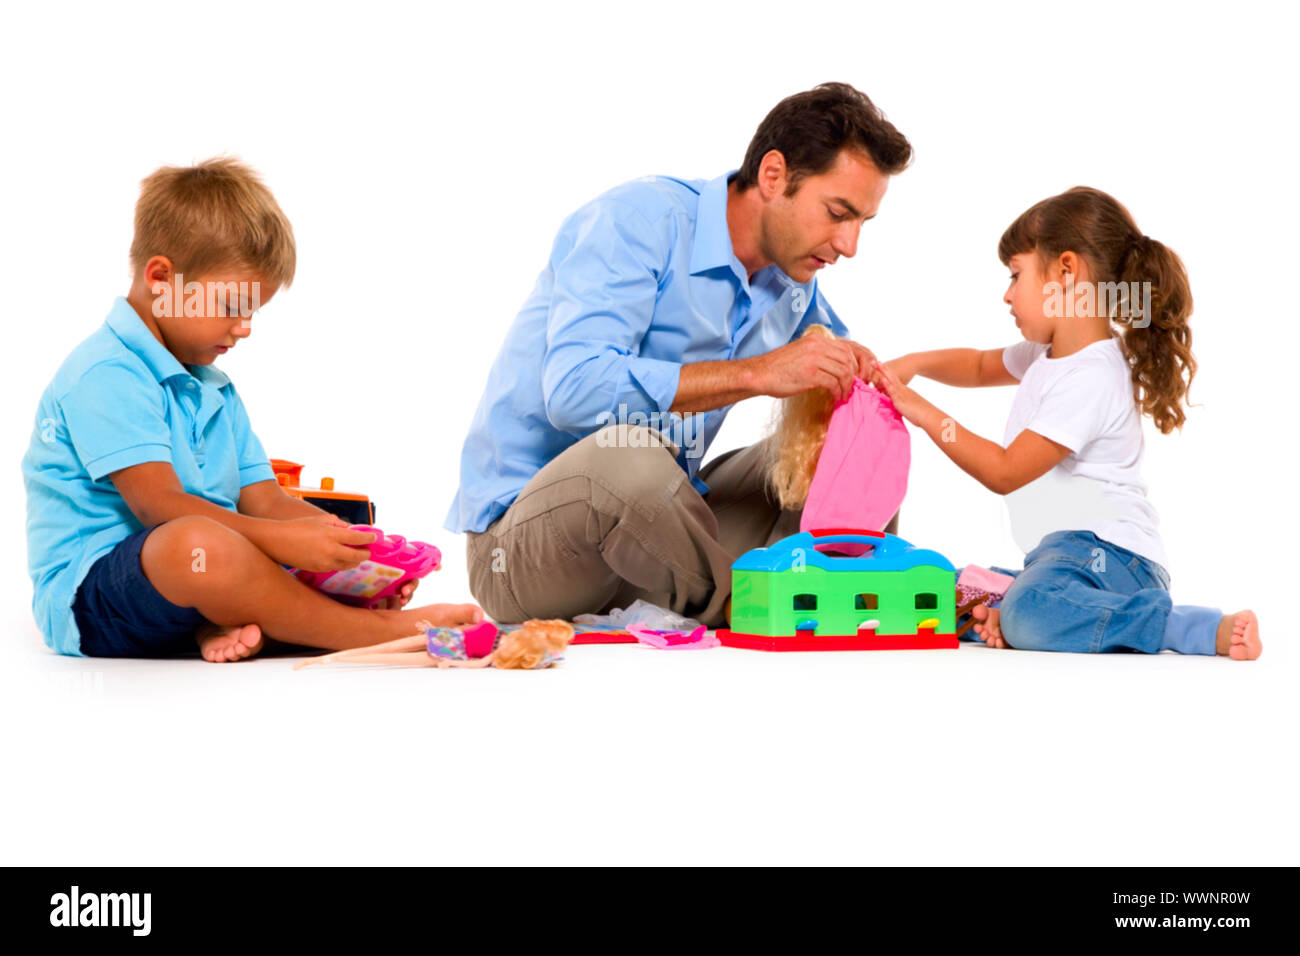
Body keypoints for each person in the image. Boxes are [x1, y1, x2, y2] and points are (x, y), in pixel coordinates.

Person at [446, 82, 913, 627]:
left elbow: (838, 387)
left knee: (852, 441)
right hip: (529, 550)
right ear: (773, 175)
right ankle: (754, 609)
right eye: (838, 213)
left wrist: (853, 385)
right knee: (626, 452)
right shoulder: (637, 221)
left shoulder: (792, 282)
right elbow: (573, 392)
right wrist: (758, 373)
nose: (849, 244)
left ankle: (841, 597)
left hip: (663, 544)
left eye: (862, 222)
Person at [23, 157, 480, 662]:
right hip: (96, 600)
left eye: (252, 311)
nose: (244, 328)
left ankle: (235, 620)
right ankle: (371, 631)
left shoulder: (214, 388)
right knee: (198, 546)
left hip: (191, 581)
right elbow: (160, 509)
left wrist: (340, 551)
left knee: (249, 546)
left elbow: (264, 499)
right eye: (231, 307)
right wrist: (285, 544)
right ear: (162, 278)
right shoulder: (105, 373)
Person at [871, 186, 1261, 660]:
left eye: (1016, 276)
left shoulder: (1092, 375)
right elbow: (975, 366)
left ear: (1066, 271)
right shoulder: (1046, 354)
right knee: (952, 588)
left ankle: (1185, 628)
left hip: (1115, 560)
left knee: (1028, 609)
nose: (1007, 294)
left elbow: (1004, 470)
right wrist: (911, 363)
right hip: (1062, 559)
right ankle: (1004, 612)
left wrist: (922, 412)